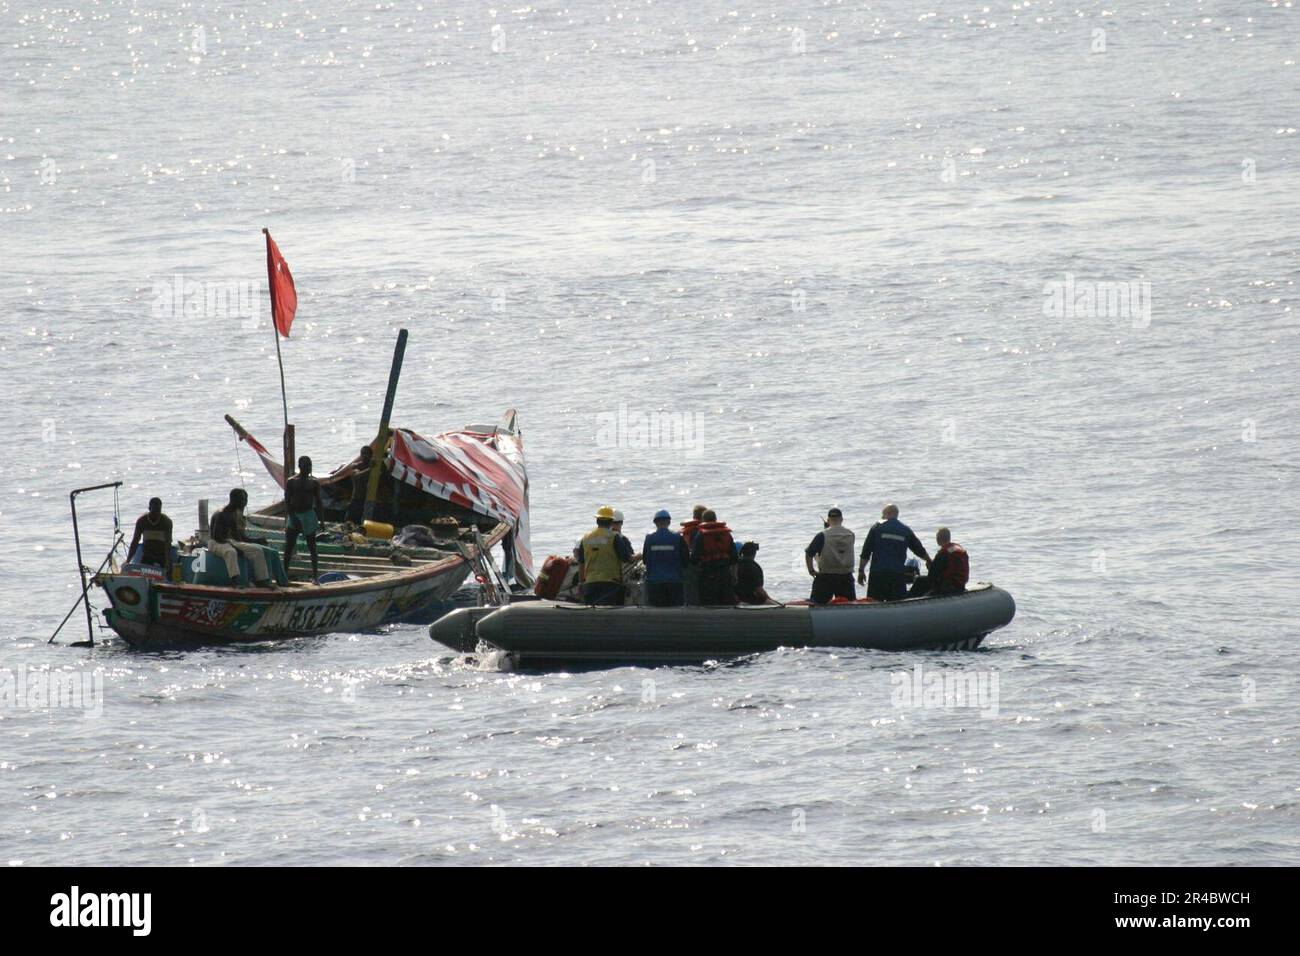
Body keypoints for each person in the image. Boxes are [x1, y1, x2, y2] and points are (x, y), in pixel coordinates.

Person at [857, 503, 930, 602]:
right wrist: (928, 560)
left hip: (878, 575)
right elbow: (919, 549)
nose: (881, 517)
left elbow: (866, 551)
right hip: (897, 576)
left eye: (883, 514)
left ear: (888, 513)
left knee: (875, 605)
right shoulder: (905, 530)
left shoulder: (876, 528)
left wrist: (861, 571)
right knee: (897, 606)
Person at [209, 488, 276, 588]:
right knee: (231, 552)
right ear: (234, 499)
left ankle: (261, 580)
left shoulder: (233, 514)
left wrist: (256, 541)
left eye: (246, 500)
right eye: (243, 500)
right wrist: (234, 546)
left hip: (229, 541)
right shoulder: (221, 514)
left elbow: (238, 538)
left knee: (257, 550)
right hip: (216, 543)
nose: (245, 503)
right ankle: (234, 582)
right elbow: (217, 536)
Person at [577, 506, 633, 605]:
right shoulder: (614, 537)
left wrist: (581, 583)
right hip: (610, 583)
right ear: (611, 522)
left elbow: (581, 562)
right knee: (608, 614)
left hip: (590, 583)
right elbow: (627, 558)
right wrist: (641, 555)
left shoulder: (586, 537)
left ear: (597, 521)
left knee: (591, 614)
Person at [284, 455, 324, 582]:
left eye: (310, 465)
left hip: (308, 514)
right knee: (289, 546)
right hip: (294, 514)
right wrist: (292, 516)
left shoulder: (314, 483)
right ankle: (284, 575)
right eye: (306, 465)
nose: (308, 468)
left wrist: (321, 520)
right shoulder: (291, 481)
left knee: (312, 546)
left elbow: (318, 502)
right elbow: (287, 501)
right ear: (300, 466)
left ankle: (315, 577)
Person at [804, 507, 856, 604]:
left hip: (826, 577)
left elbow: (809, 554)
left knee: (817, 605)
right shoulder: (851, 534)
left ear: (828, 520)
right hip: (846, 576)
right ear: (842, 519)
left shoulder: (822, 535)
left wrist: (811, 570)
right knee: (848, 606)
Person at [642, 509, 689, 607]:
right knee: (676, 610)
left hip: (654, 582)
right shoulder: (678, 537)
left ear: (655, 523)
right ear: (669, 522)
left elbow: (645, 560)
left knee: (656, 613)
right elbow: (685, 559)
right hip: (674, 582)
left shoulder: (649, 538)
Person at [690, 509, 737, 605]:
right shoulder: (726, 534)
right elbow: (734, 557)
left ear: (703, 520)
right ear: (715, 519)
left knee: (709, 602)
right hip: (724, 573)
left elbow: (694, 558)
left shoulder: (701, 535)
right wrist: (734, 574)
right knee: (726, 601)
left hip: (708, 574)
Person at [127, 497, 173, 572]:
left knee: (169, 570)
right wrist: (128, 560)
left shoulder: (166, 522)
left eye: (158, 511)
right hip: (147, 556)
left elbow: (168, 544)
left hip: (162, 556)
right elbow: (135, 542)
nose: (156, 514)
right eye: (154, 511)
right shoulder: (142, 521)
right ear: (149, 508)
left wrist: (167, 563)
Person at [924, 527, 969, 596]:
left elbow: (931, 576)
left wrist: (929, 567)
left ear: (938, 539)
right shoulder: (958, 548)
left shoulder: (942, 553)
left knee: (920, 581)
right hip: (961, 585)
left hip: (947, 587)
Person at [679, 504, 708, 605]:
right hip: (700, 565)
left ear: (694, 516)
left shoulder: (687, 531)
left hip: (687, 565)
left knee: (690, 592)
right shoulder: (701, 531)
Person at [346, 445, 374, 525]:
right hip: (356, 499)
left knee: (363, 524)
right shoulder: (356, 466)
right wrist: (370, 469)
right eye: (363, 454)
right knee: (350, 522)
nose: (365, 456)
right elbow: (356, 476)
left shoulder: (373, 467)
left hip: (368, 500)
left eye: (367, 454)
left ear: (371, 455)